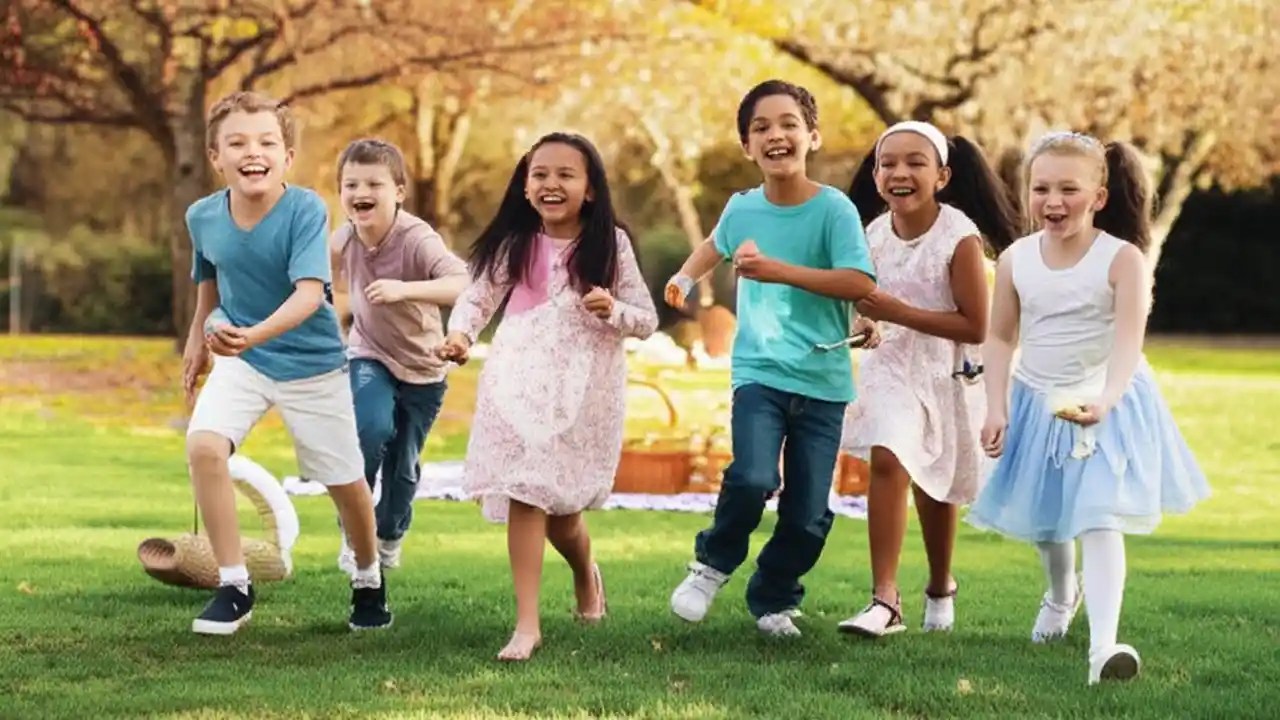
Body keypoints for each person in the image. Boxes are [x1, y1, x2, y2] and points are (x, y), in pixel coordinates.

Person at [967, 131, 1211, 684]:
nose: (1053, 202)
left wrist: (1105, 398)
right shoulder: (1015, 260)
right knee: (1050, 523)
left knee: (1099, 517)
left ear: (1099, 197)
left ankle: (1104, 648)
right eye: (1041, 189)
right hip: (1037, 400)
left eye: (1069, 190)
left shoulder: (1122, 260)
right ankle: (1060, 595)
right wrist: (996, 406)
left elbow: (1129, 342)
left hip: (1106, 400)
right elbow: (1001, 338)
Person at [663, 79, 876, 637]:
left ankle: (775, 596)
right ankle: (711, 565)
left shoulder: (835, 210)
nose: (775, 135)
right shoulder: (742, 209)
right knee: (753, 476)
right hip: (759, 372)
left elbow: (858, 280)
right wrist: (686, 276)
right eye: (761, 127)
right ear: (746, 146)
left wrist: (781, 272)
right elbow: (715, 243)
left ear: (812, 136)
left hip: (824, 380)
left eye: (788, 124)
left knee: (809, 515)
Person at [436, 132, 657, 661]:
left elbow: (645, 318)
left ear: (591, 190)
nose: (550, 184)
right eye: (540, 174)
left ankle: (586, 573)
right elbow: (477, 295)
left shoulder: (611, 246)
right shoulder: (515, 242)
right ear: (525, 185)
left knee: (562, 515)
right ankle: (527, 624)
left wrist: (613, 310)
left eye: (565, 174)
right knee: (524, 491)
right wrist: (461, 335)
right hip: (516, 385)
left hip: (582, 393)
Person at [181, 91, 391, 635]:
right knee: (203, 446)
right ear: (215, 157)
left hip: (311, 364)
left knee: (345, 484)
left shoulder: (304, 209)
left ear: (287, 157)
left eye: (267, 142)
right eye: (238, 142)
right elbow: (210, 283)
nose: (254, 152)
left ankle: (368, 578)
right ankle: (233, 584)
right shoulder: (201, 216)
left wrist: (250, 334)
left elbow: (308, 296)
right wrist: (197, 342)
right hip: (242, 360)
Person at [836, 121, 1020, 638]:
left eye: (915, 162)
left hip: (946, 370)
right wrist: (865, 323)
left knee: (936, 487)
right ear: (875, 176)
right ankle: (885, 600)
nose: (900, 172)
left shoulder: (959, 237)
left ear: (941, 175)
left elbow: (975, 325)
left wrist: (896, 310)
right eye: (887, 163)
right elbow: (865, 303)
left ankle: (941, 584)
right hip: (890, 368)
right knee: (889, 458)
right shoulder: (872, 233)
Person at [329, 139, 468, 573]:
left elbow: (463, 281)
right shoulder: (343, 239)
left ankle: (389, 533)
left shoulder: (416, 238)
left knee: (402, 466)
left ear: (399, 192)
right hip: (369, 354)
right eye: (351, 184)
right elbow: (315, 285)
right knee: (368, 431)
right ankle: (355, 534)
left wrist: (403, 289)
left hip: (425, 368)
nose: (360, 192)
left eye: (373, 183)